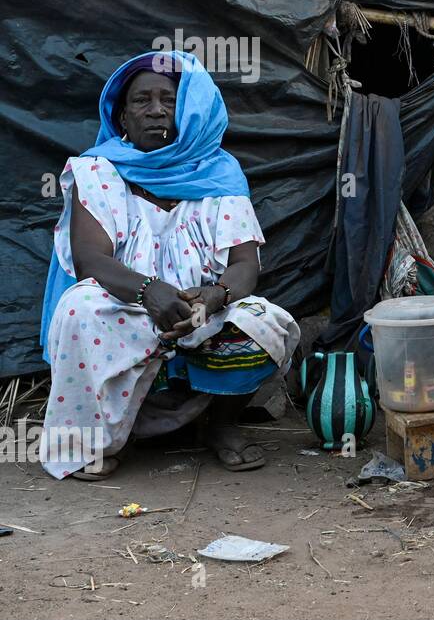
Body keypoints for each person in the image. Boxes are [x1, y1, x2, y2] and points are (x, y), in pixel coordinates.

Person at [40, 51, 299, 479]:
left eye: (169, 100)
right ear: (122, 116)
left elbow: (243, 266)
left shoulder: (221, 173)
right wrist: (149, 291)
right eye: (142, 101)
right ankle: (102, 440)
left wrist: (215, 297)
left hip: (200, 313)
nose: (157, 109)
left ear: (191, 112)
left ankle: (221, 425)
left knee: (266, 321)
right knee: (79, 307)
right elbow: (91, 259)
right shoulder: (96, 171)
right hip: (126, 308)